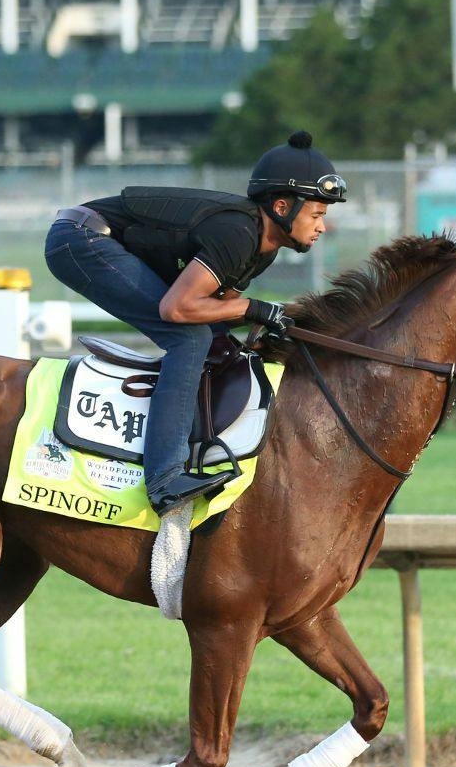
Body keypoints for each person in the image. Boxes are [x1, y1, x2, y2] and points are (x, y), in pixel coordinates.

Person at [44, 130, 346, 516]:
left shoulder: (262, 248)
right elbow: (178, 309)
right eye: (317, 214)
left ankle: (198, 447)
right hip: (80, 239)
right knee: (187, 340)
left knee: (214, 340)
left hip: (98, 238)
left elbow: (220, 308)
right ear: (283, 206)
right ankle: (164, 479)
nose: (322, 226)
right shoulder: (239, 233)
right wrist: (255, 309)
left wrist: (265, 320)